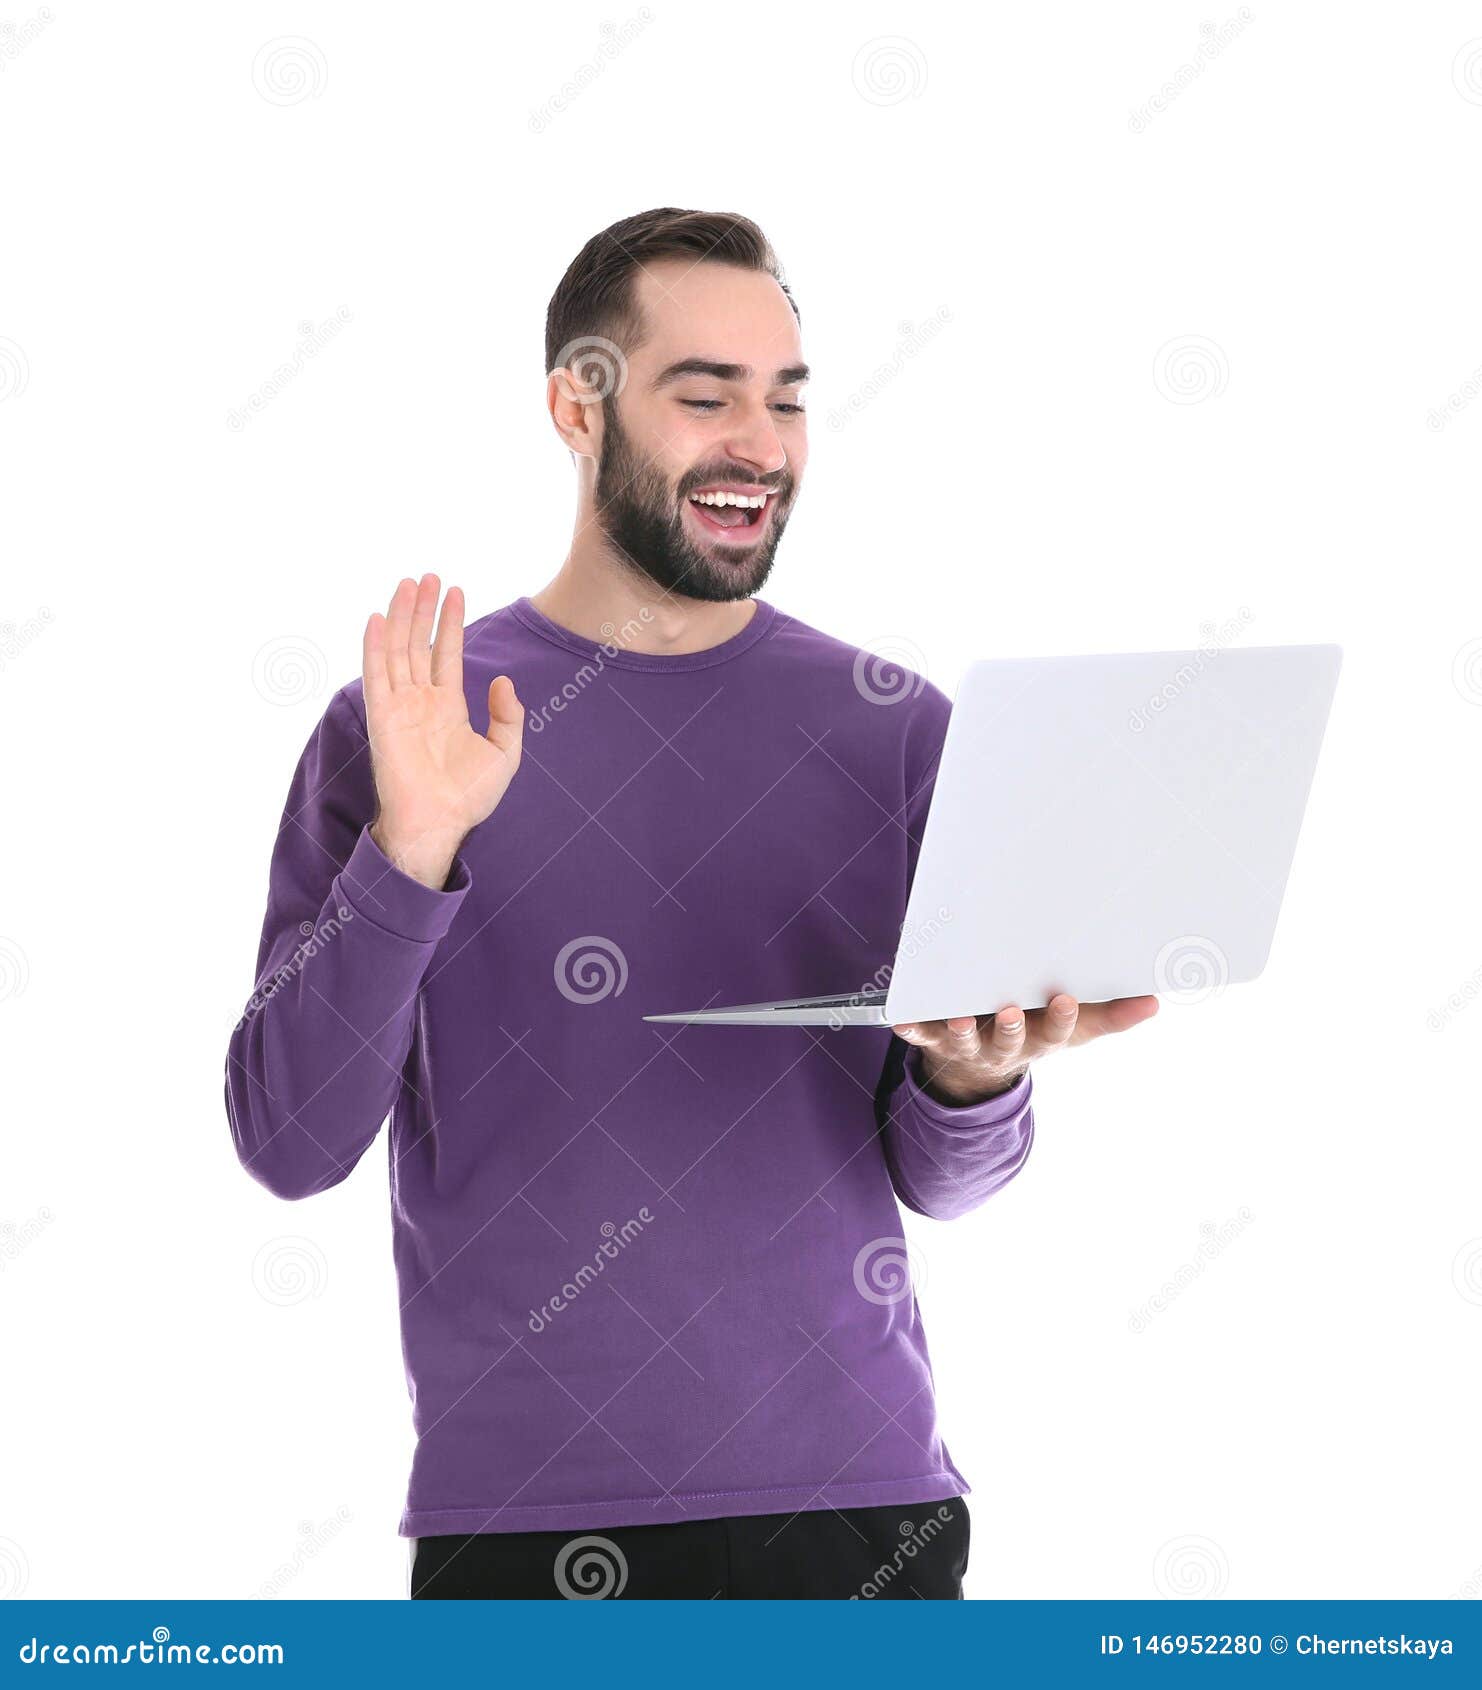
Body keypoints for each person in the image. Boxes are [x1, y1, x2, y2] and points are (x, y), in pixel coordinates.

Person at [225, 208, 1158, 1600]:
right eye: (703, 393)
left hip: (865, 1518)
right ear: (575, 405)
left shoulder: (896, 734)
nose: (758, 442)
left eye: (784, 399)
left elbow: (944, 1180)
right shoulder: (406, 729)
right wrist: (411, 847)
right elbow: (290, 1140)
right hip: (524, 1533)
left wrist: (976, 1081)